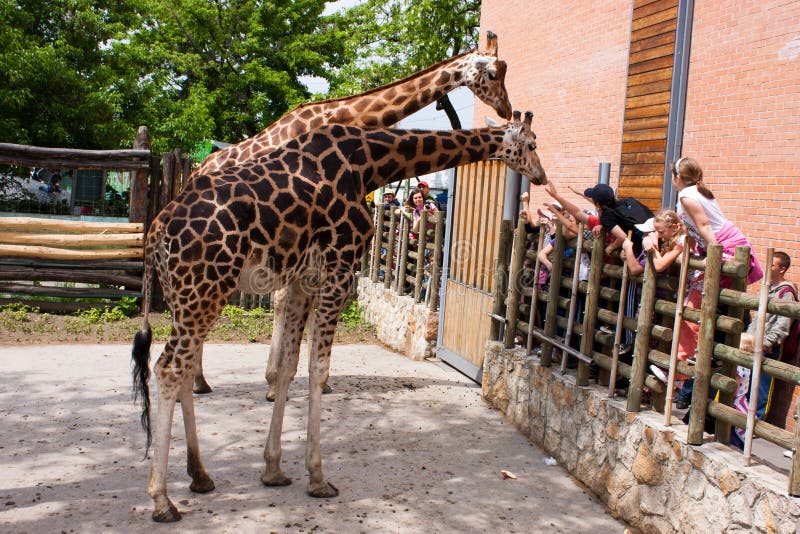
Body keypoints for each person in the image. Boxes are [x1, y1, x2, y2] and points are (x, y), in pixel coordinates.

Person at [671, 156, 763, 286]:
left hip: (722, 243)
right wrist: (690, 248)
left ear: (678, 177)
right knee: (719, 292)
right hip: (715, 242)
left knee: (721, 292)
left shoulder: (687, 196)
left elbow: (704, 226)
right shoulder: (697, 191)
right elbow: (691, 227)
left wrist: (715, 254)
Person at [745, 251, 797, 419]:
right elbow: (758, 317)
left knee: (761, 386)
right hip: (753, 342)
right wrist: (748, 337)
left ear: (782, 269)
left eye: (772, 265)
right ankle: (743, 419)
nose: (768, 268)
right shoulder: (767, 287)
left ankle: (756, 421)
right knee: (748, 383)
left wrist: (767, 342)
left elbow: (783, 324)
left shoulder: (786, 292)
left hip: (768, 347)